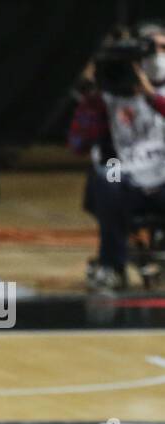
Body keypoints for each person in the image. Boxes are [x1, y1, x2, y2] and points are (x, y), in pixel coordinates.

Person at [70, 23, 165, 290]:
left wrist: (150, 96)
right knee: (108, 177)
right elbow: (77, 143)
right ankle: (112, 265)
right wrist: (92, 91)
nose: (157, 55)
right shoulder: (111, 94)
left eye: (163, 48)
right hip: (125, 172)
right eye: (151, 48)